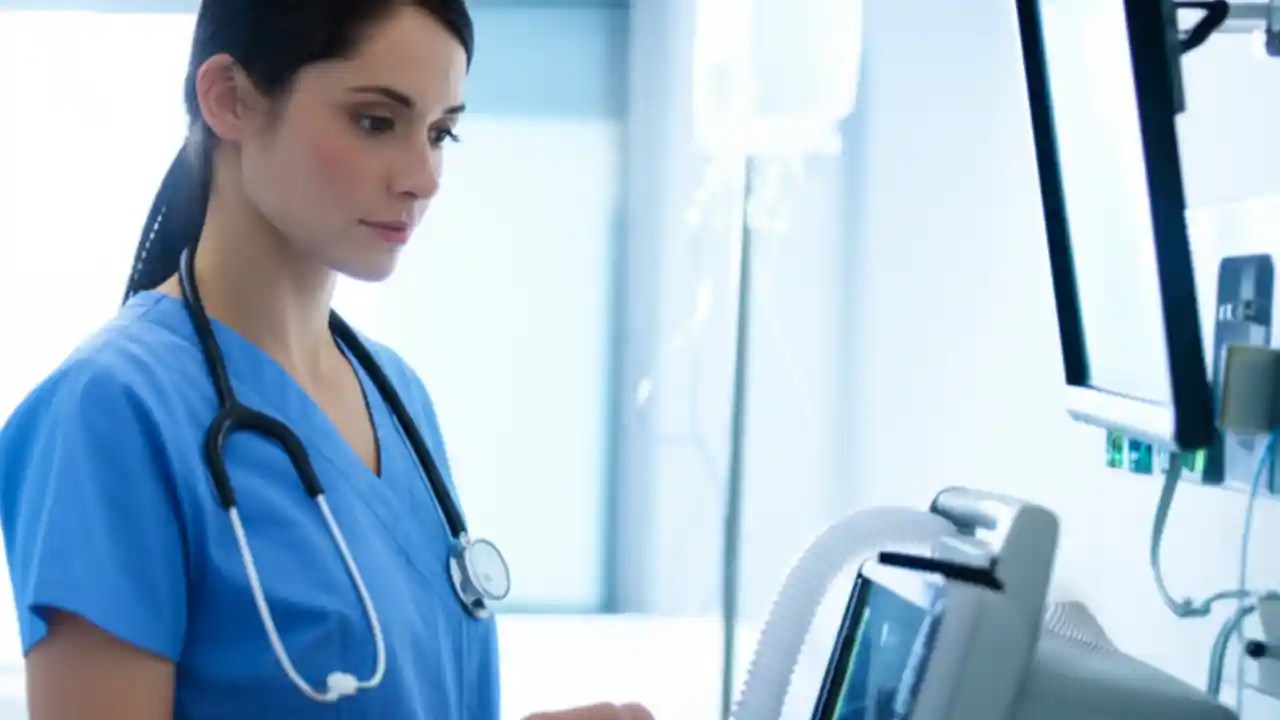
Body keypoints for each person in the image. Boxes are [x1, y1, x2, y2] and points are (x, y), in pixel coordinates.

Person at [0, 2, 654, 719]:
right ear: (230, 99)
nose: (424, 176)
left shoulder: (399, 398)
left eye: (441, 132)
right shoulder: (110, 414)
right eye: (377, 121)